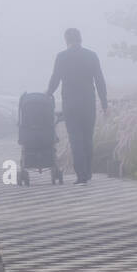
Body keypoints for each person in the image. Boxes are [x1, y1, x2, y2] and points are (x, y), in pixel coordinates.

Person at [46, 28, 108, 184]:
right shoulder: (91, 55)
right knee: (87, 138)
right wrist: (104, 103)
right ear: (80, 39)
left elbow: (55, 79)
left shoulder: (62, 57)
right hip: (88, 103)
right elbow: (99, 80)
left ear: (66, 40)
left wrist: (46, 95)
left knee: (76, 139)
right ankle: (88, 172)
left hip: (71, 104)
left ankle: (81, 175)